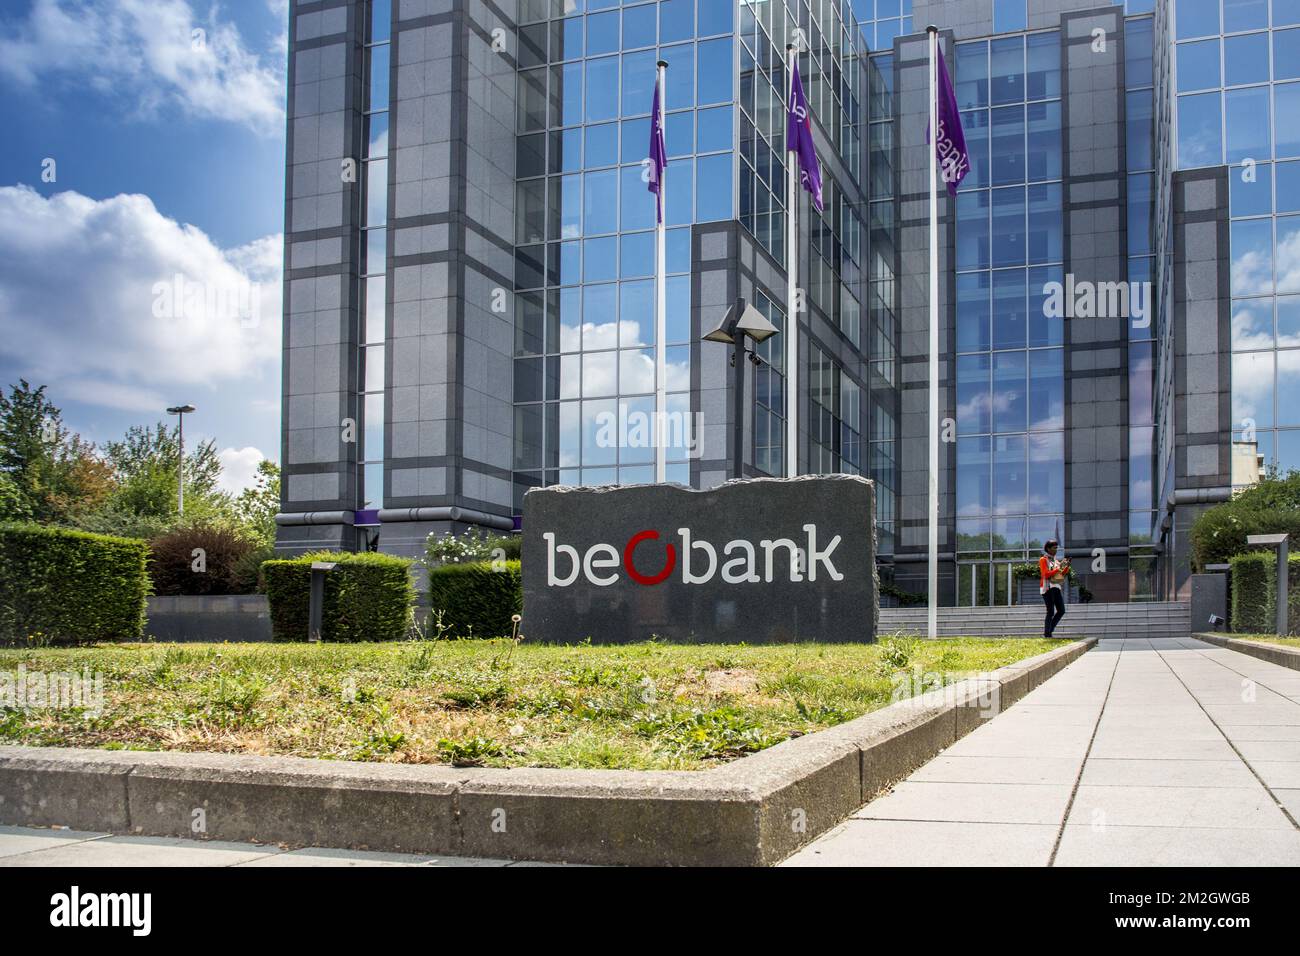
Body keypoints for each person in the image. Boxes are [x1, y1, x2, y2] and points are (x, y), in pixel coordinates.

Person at [1039, 539, 1069, 638]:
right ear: (1048, 548)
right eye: (1054, 548)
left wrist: (1066, 567)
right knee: (1050, 611)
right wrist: (1058, 569)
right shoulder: (1043, 559)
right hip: (1048, 588)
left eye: (1057, 548)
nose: (1056, 550)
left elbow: (1060, 575)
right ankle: (1047, 634)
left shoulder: (1055, 561)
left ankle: (1049, 631)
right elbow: (1045, 574)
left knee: (1061, 610)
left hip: (1056, 587)